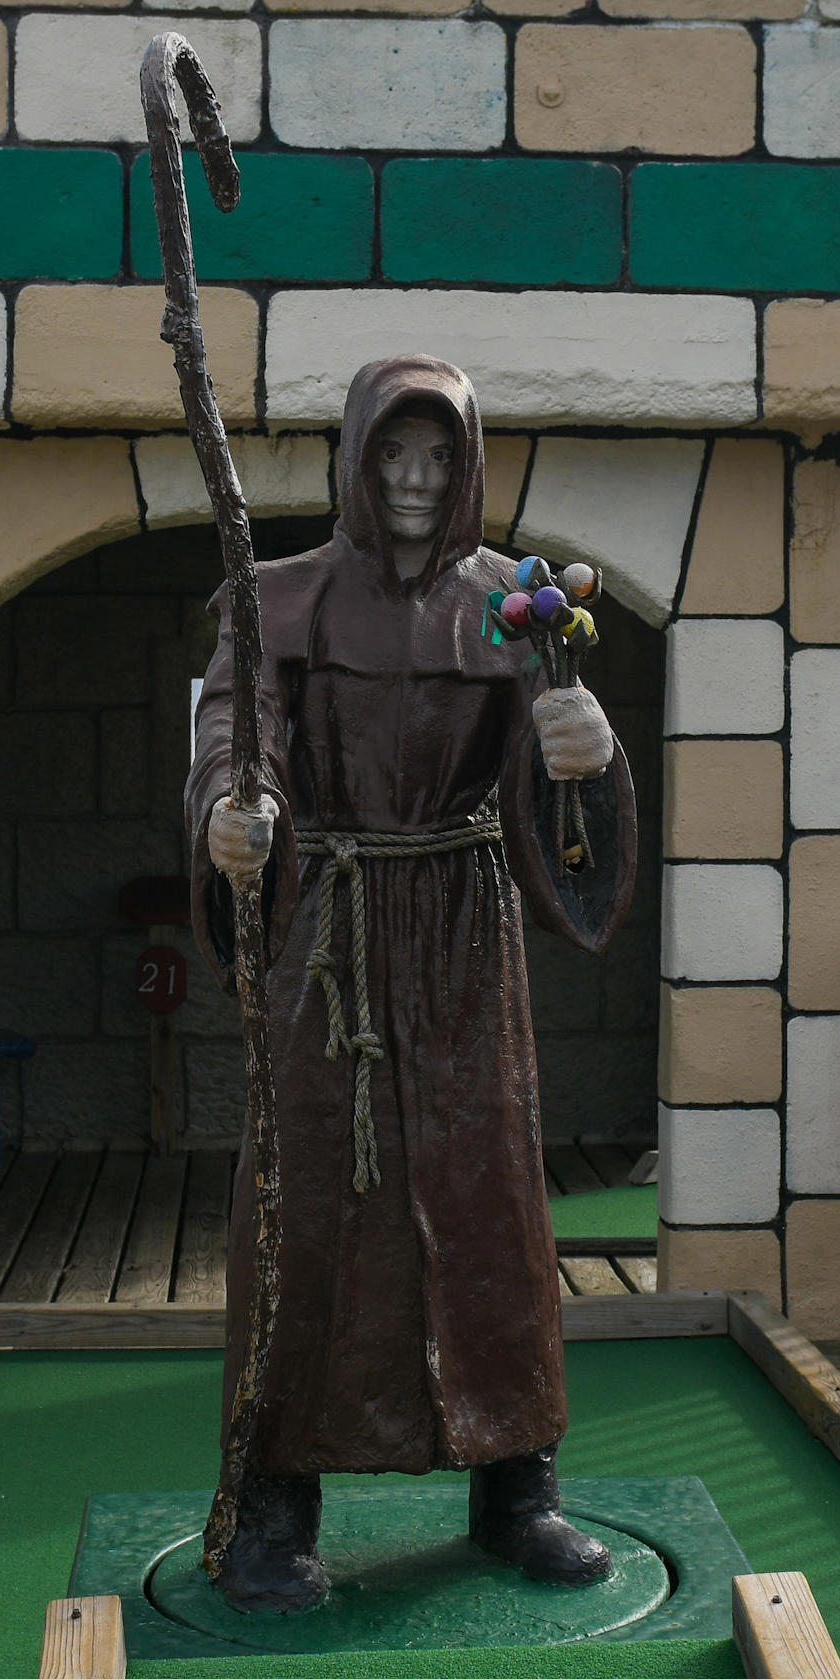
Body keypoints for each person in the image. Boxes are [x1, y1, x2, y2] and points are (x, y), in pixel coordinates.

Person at [188, 355, 642, 1612]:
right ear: (354, 459)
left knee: (489, 1194)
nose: (412, 480)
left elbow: (561, 788)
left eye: (439, 457)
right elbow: (239, 737)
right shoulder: (274, 600)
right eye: (392, 453)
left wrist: (583, 759)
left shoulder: (520, 608)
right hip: (325, 943)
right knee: (307, 1205)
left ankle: (516, 1488)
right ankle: (274, 1504)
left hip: (459, 938)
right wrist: (240, 817)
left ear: (468, 467)